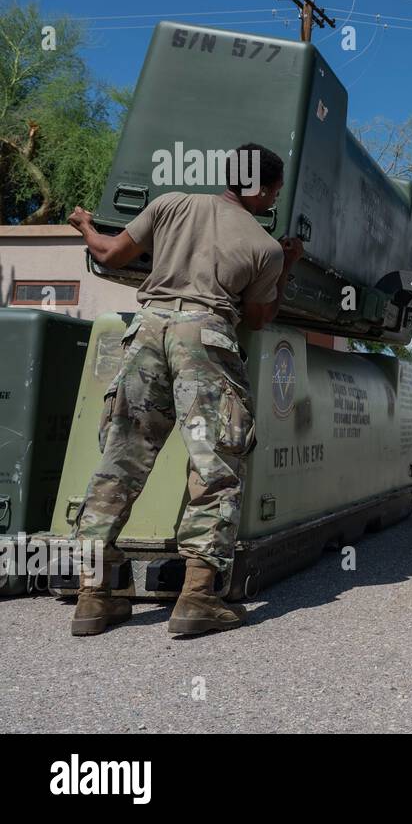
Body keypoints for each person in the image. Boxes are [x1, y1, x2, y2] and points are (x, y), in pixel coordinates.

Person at [65, 144, 303, 636]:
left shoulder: (171, 203)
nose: (273, 199)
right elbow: (258, 320)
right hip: (207, 337)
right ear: (260, 188)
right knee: (214, 465)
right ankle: (197, 598)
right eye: (274, 190)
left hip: (147, 331)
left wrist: (85, 224)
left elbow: (109, 253)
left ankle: (93, 597)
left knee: (121, 456)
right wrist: (288, 268)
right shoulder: (266, 247)